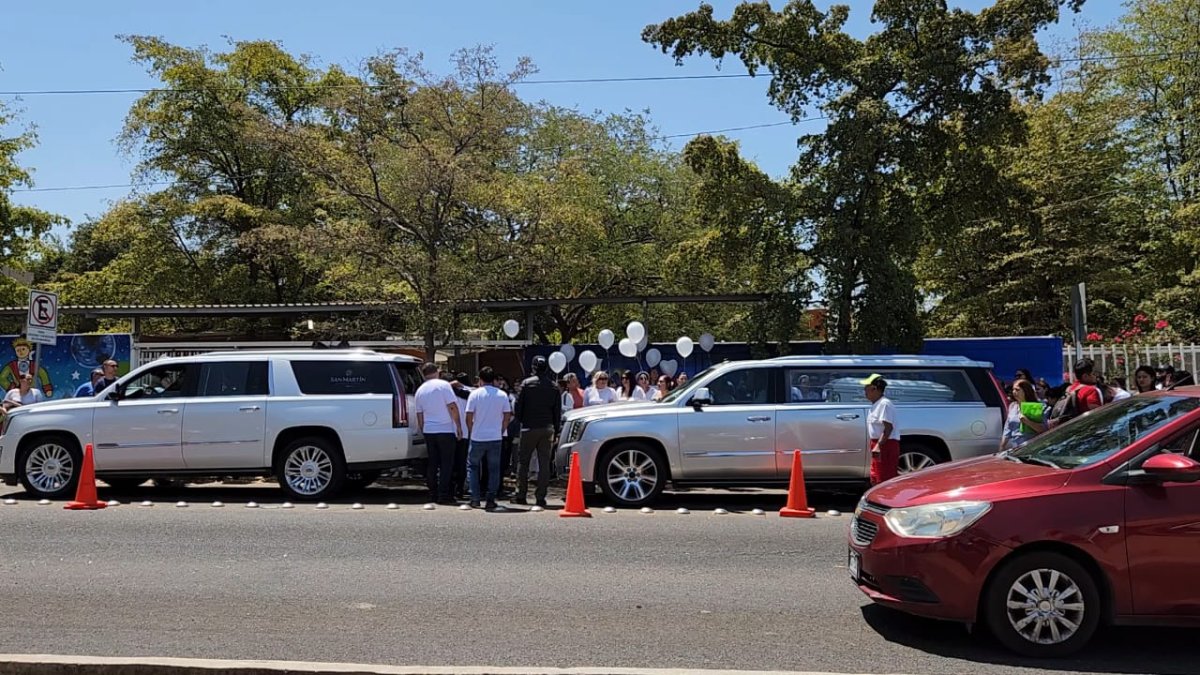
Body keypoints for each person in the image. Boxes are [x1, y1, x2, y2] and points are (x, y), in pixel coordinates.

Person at [513, 356, 562, 507]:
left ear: (533, 368)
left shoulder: (526, 384)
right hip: (547, 428)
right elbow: (557, 411)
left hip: (529, 427)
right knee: (544, 463)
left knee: (523, 462)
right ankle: (541, 496)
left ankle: (521, 494)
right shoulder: (554, 386)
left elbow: (518, 406)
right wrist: (555, 428)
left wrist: (523, 421)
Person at [412, 363, 463, 505]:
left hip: (429, 430)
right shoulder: (444, 386)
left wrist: (423, 429)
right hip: (445, 429)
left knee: (433, 463)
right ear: (437, 372)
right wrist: (458, 425)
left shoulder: (420, 390)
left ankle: (432, 492)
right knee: (447, 463)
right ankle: (444, 493)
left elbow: (419, 415)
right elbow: (452, 407)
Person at [465, 367, 513, 511]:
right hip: (495, 437)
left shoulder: (474, 395)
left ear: (480, 379)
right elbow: (507, 416)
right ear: (493, 380)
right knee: (494, 469)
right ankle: (491, 498)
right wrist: (501, 430)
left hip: (478, 436)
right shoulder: (502, 395)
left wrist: (472, 430)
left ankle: (475, 498)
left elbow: (468, 416)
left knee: (473, 466)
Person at [863, 374, 900, 485]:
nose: (864, 391)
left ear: (874, 389)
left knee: (884, 479)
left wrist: (878, 446)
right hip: (877, 444)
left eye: (866, 388)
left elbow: (888, 428)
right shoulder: (875, 404)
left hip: (885, 444)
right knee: (875, 477)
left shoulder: (884, 404)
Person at [1002, 380, 1049, 450]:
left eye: (1017, 390)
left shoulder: (1038, 407)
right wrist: (1002, 446)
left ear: (1025, 391)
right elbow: (1007, 429)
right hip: (1015, 448)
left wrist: (1027, 421)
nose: (1014, 392)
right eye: (1013, 389)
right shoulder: (1013, 406)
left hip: (1031, 448)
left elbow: (1043, 429)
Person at [450, 373, 474, 500]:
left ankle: (452, 489)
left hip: (452, 431)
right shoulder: (473, 393)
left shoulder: (450, 392)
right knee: (462, 462)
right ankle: (460, 488)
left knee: (452, 462)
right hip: (465, 432)